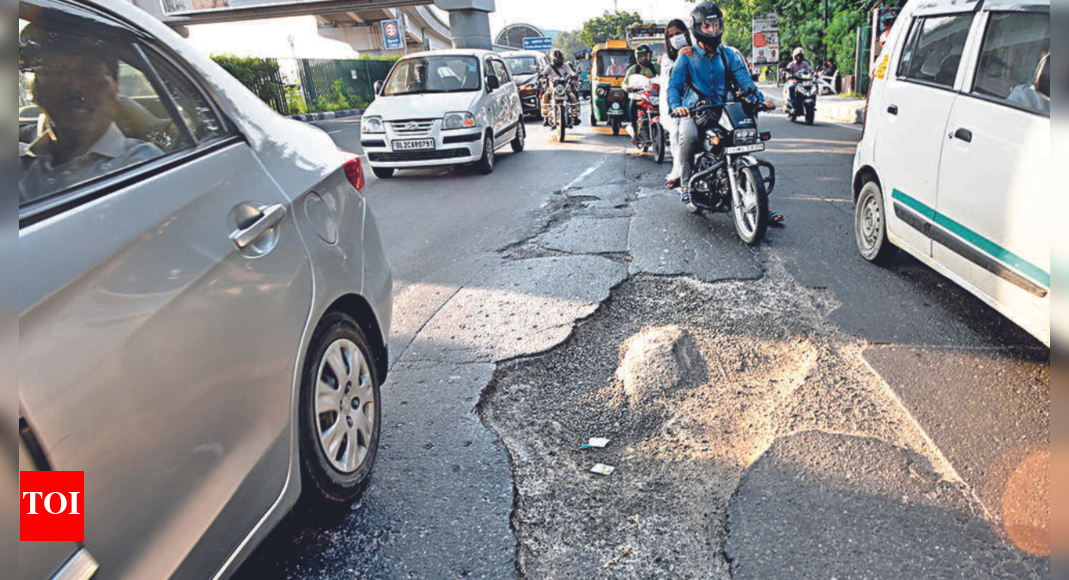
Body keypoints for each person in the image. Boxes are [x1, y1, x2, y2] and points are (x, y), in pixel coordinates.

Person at [20, 20, 163, 204]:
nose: (73, 86)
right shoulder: (19, 168)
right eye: (55, 72)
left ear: (115, 86)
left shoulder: (143, 164)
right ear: (34, 91)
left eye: (89, 71)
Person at [668, 2, 782, 225]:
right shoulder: (687, 56)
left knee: (742, 141)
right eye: (708, 26)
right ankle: (686, 183)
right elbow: (674, 86)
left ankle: (762, 205)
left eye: (716, 25)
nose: (713, 30)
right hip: (694, 110)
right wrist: (677, 106)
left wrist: (761, 101)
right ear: (698, 27)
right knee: (688, 136)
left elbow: (745, 83)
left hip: (724, 110)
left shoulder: (729, 55)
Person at [660, 19, 696, 189]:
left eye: (678, 34)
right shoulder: (667, 59)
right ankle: (679, 173)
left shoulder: (699, 50)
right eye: (671, 36)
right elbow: (672, 78)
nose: (675, 38)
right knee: (677, 132)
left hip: (698, 101)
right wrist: (683, 56)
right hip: (676, 104)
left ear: (687, 33)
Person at [623, 44, 660, 145]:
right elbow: (624, 83)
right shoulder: (634, 69)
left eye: (647, 55)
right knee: (632, 107)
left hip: (652, 96)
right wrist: (627, 88)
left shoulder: (655, 67)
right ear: (637, 57)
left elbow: (665, 74)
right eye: (642, 56)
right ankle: (635, 133)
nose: (645, 58)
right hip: (639, 97)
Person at [541, 48, 580, 126]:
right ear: (553, 59)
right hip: (552, 88)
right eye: (557, 59)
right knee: (545, 97)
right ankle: (545, 117)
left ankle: (575, 116)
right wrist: (542, 75)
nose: (559, 60)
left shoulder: (565, 66)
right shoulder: (549, 67)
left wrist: (573, 76)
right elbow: (543, 73)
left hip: (565, 87)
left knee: (573, 97)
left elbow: (571, 72)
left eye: (560, 59)